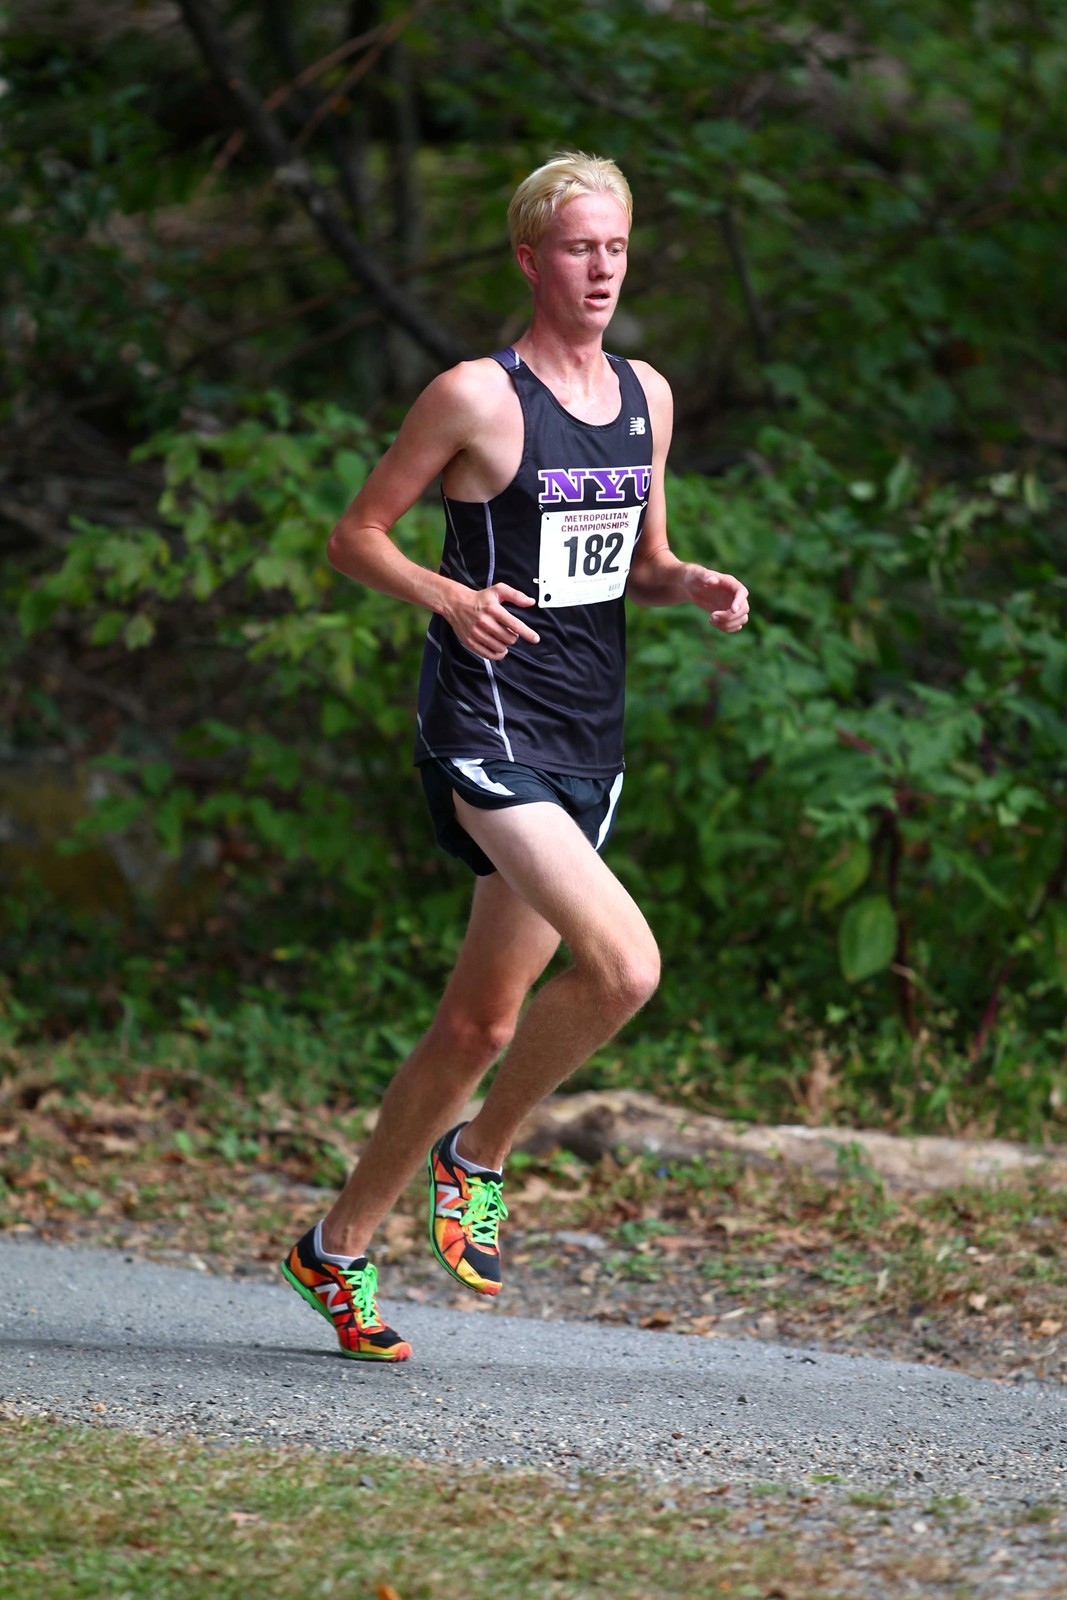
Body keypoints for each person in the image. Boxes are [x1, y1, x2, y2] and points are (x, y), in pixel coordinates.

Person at [281, 152, 749, 1360]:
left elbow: (637, 563)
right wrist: (447, 597)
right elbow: (355, 536)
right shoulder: (473, 397)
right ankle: (476, 1155)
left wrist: (689, 583)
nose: (600, 270)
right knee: (626, 967)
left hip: (590, 733)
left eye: (616, 249)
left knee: (480, 1026)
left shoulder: (643, 395)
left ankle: (333, 1251)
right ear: (529, 258)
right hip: (487, 725)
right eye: (579, 248)